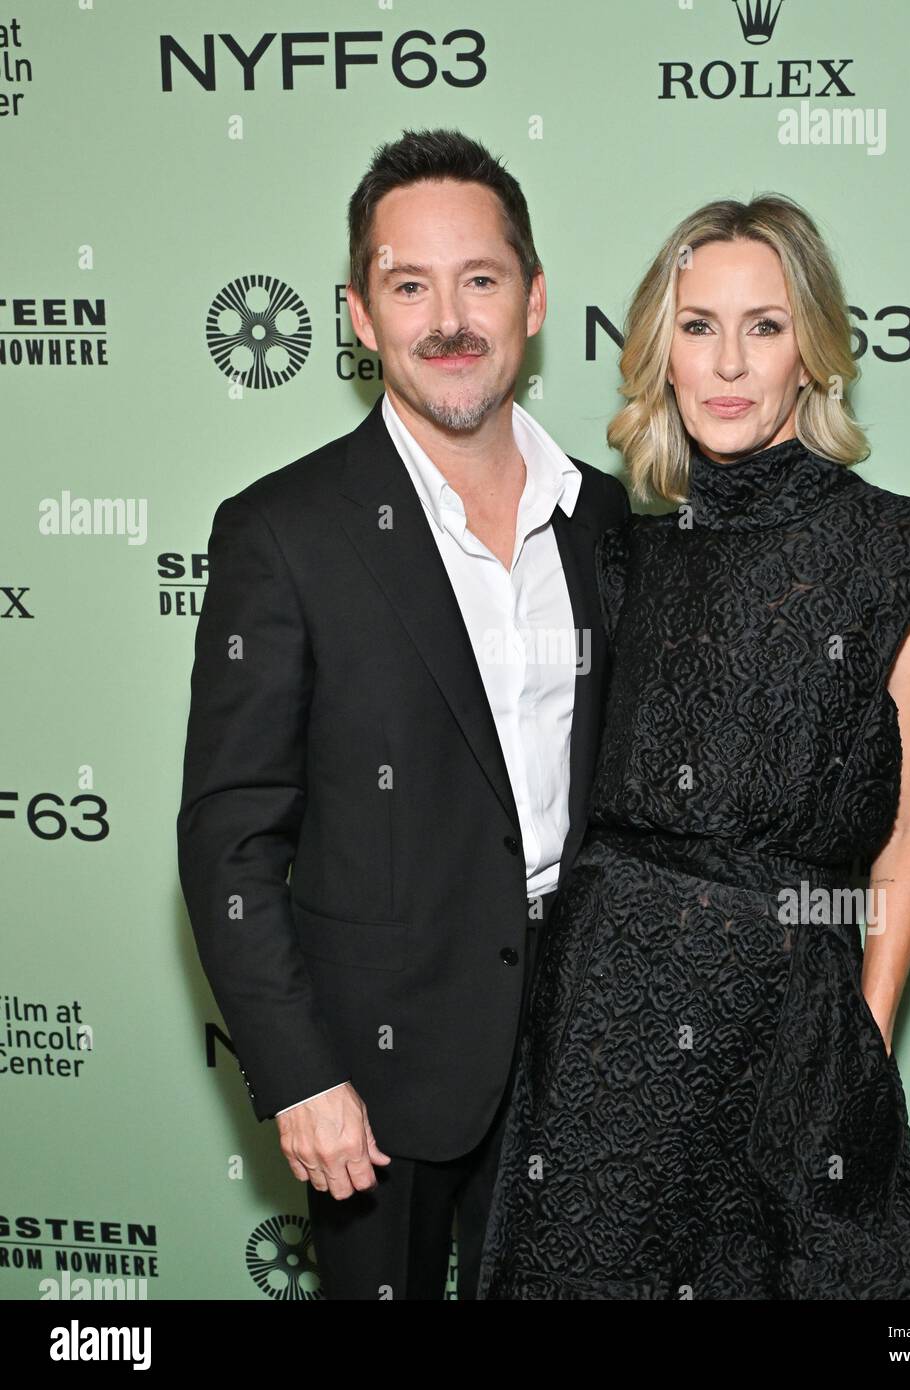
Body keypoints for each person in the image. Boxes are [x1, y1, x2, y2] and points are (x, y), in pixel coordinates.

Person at [477, 193, 910, 1299]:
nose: (728, 362)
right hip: (599, 1024)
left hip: (782, 1029)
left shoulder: (903, 550)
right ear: (662, 352)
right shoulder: (626, 552)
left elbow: (907, 833)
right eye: (698, 326)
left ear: (812, 351)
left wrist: (862, 1048)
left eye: (765, 326)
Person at [176, 127, 630, 1300]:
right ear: (360, 316)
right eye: (409, 285)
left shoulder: (606, 521)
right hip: (374, 1071)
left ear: (534, 300)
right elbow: (229, 835)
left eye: (480, 279)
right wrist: (299, 1072)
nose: (450, 321)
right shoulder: (283, 532)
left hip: (583, 1047)